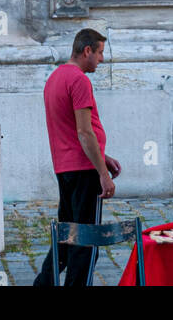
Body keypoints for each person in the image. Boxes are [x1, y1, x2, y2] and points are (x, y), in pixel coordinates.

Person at [33, 28, 122, 287]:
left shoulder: (55, 78)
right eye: (100, 53)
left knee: (66, 235)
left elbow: (72, 132)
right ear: (87, 51)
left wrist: (102, 157)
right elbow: (84, 132)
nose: (102, 60)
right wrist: (103, 175)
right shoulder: (79, 80)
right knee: (86, 241)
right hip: (84, 171)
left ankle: (43, 284)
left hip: (65, 168)